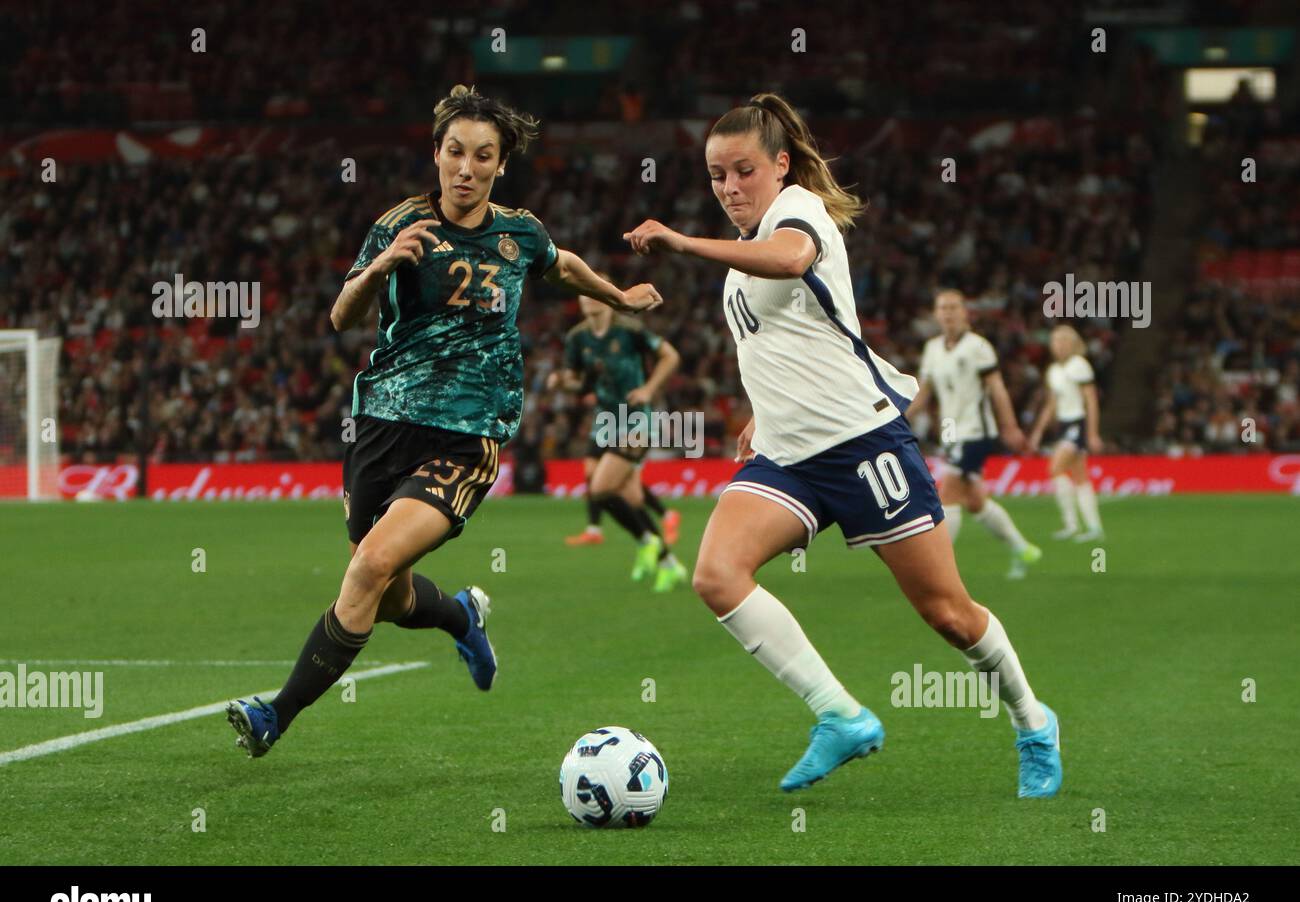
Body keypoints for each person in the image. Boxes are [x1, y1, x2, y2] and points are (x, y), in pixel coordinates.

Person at [623, 92, 1061, 797]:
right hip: (788, 458)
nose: (729, 187)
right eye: (716, 176)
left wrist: (681, 242)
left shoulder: (798, 212)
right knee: (715, 575)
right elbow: (793, 341)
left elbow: (793, 260)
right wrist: (761, 415)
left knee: (947, 613)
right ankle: (841, 715)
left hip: (863, 446)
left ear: (780, 165)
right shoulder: (746, 257)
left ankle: (1034, 721)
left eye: (743, 171)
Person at [226, 85, 662, 757]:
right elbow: (341, 316)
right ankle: (462, 615)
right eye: (454, 152)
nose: (466, 167)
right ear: (435, 154)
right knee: (390, 592)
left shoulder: (519, 234)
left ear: (500, 165)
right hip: (379, 426)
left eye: (482, 156)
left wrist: (619, 296)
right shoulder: (400, 225)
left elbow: (560, 264)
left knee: (369, 565)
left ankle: (274, 715)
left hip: (467, 434)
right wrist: (380, 267)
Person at [547, 287, 688, 591]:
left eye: (593, 292)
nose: (587, 298)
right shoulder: (577, 338)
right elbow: (579, 385)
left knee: (600, 488)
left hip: (635, 419)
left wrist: (649, 390)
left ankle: (647, 541)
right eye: (583, 294)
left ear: (606, 297)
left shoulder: (630, 330)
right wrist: (561, 382)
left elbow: (670, 356)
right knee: (631, 498)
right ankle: (668, 564)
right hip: (605, 421)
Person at [907, 289, 1042, 579]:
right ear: (936, 314)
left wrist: (1009, 427)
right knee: (975, 501)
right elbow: (925, 391)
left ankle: (939, 570)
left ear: (966, 313)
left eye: (954, 307)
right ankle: (1023, 549)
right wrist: (901, 418)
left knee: (948, 495)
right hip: (951, 432)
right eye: (943, 308)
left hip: (977, 431)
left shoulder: (978, 347)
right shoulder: (932, 348)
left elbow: (997, 388)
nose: (948, 313)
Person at [1028, 325, 1105, 541]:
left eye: (1064, 341)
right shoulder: (1054, 371)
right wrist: (1038, 432)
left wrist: (1092, 433)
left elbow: (1091, 401)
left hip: (1077, 423)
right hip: (1064, 424)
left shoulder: (1079, 366)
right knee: (1080, 476)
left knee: (1056, 468)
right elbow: (1051, 404)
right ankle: (1092, 527)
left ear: (1073, 344)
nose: (1059, 345)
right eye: (1056, 341)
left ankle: (1072, 523)